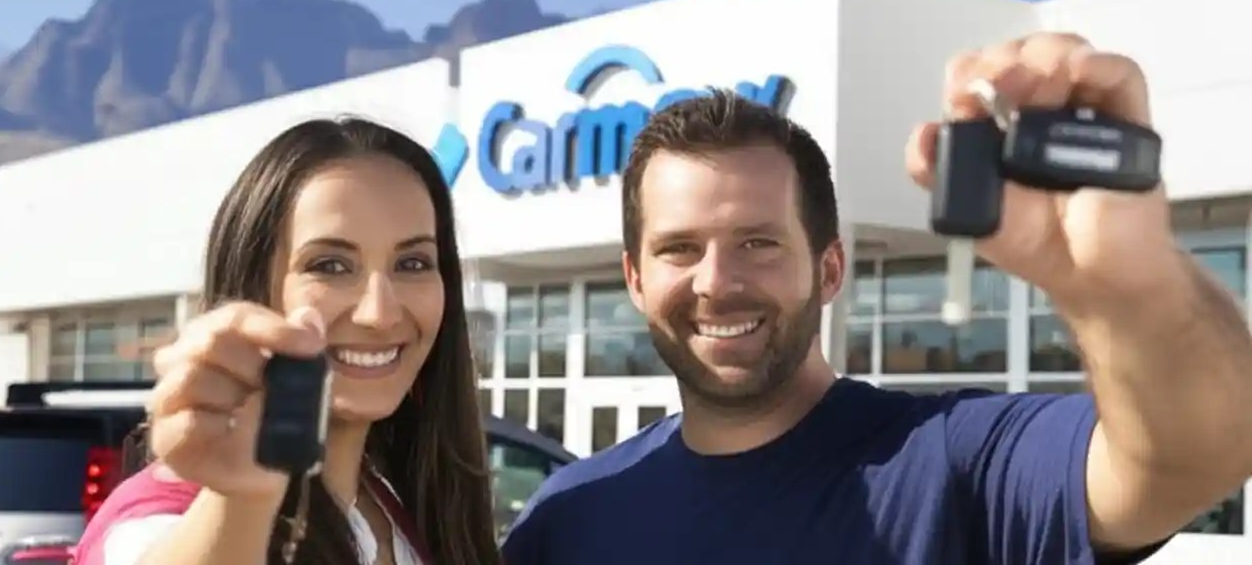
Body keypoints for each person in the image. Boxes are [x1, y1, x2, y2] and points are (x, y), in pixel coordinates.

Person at [501, 33, 1252, 564]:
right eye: (679, 248)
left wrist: (1130, 286)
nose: (716, 280)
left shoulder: (957, 465)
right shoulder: (568, 517)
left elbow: (1201, 451)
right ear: (636, 279)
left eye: (759, 243)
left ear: (830, 270)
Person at [73, 117, 502, 565]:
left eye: (413, 263)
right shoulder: (165, 518)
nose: (380, 313)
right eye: (331, 266)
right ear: (254, 286)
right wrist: (240, 498)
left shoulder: (409, 509)